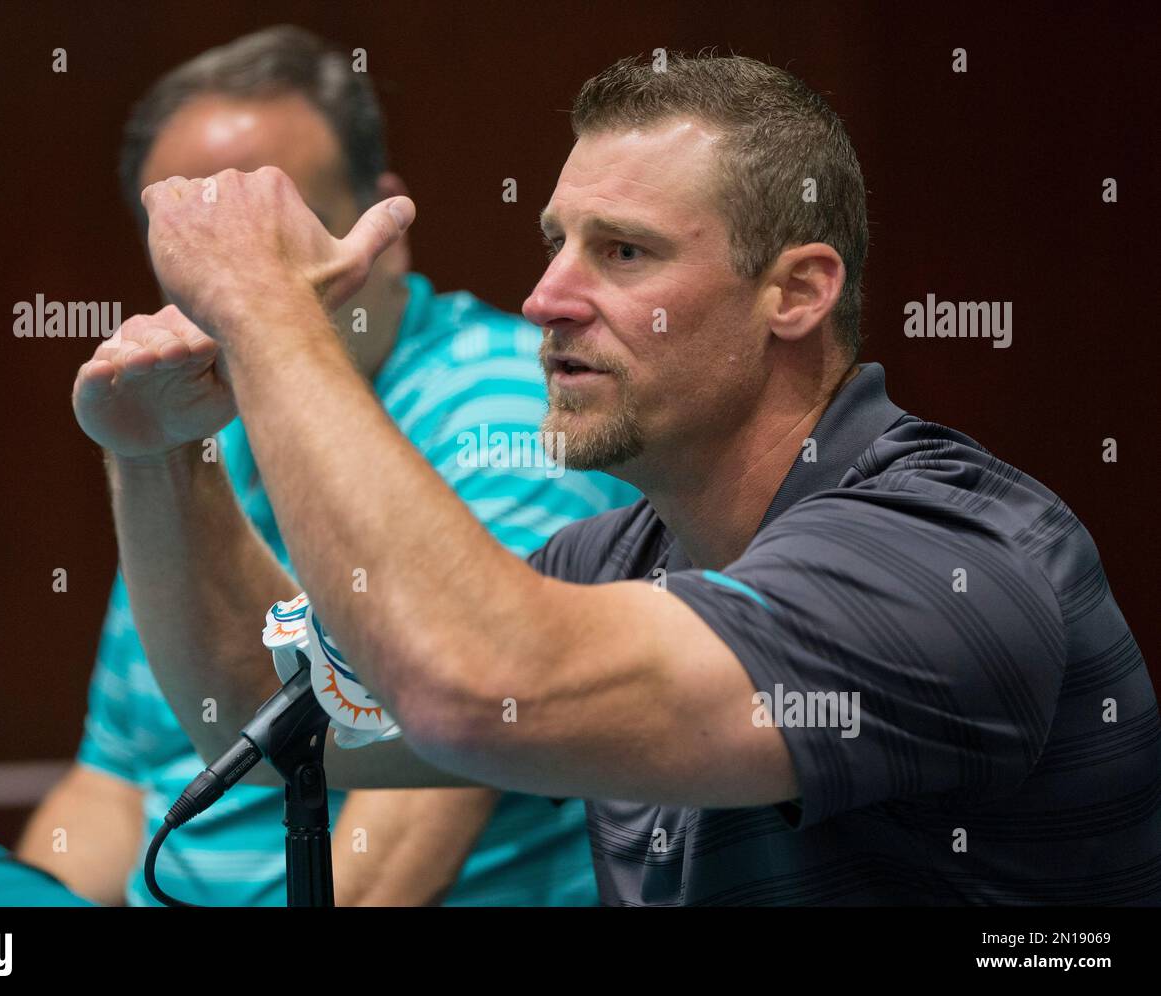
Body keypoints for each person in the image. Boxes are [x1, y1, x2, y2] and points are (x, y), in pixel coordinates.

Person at [72, 51, 1161, 905]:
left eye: (623, 252)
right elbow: (271, 715)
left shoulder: (942, 556)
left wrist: (266, 309)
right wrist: (158, 454)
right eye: (555, 243)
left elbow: (472, 686)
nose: (545, 296)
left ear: (796, 293)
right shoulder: (613, 559)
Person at [19, 26, 638, 907]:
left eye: (279, 233)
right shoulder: (203, 430)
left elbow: (413, 814)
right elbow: (116, 782)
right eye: (210, 244)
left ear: (383, 229)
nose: (236, 277)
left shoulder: (511, 409)